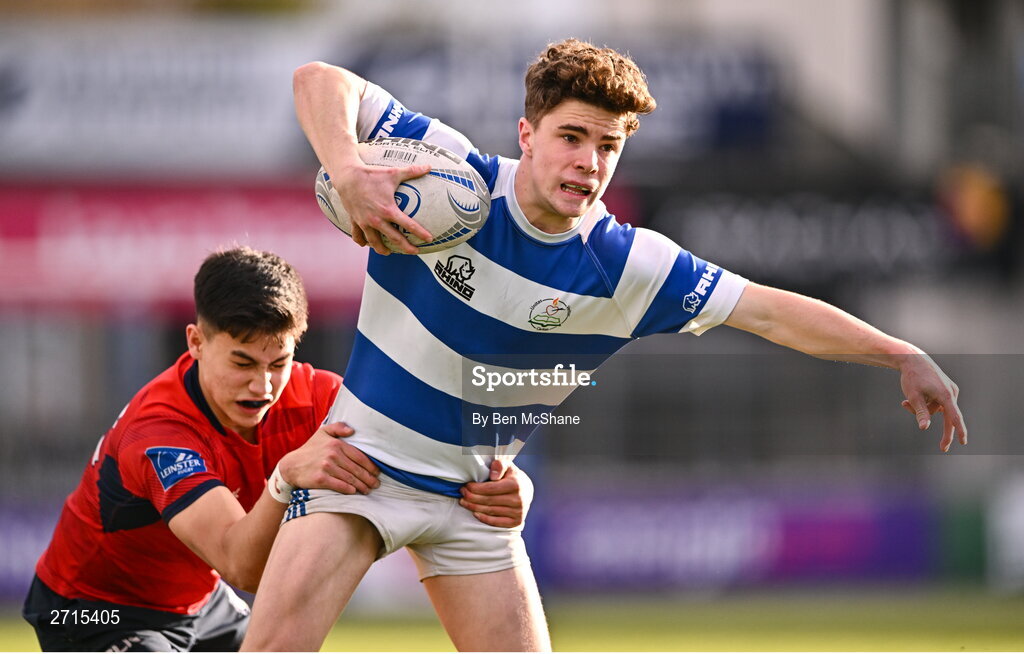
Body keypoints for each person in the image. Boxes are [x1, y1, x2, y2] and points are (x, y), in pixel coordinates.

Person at [243, 39, 968, 652]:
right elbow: (319, 81)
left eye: (608, 146)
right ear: (527, 135)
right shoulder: (447, 176)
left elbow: (772, 314)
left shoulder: (630, 267)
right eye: (572, 137)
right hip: (357, 472)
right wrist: (347, 167)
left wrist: (898, 352)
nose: (589, 161)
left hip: (477, 503)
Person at [22, 247, 530, 652]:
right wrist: (286, 478)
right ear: (196, 342)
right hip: (89, 609)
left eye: (278, 362)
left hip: (201, 605)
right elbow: (241, 565)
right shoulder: (159, 434)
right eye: (242, 363)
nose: (262, 386)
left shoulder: (317, 398)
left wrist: (511, 480)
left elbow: (436, 434)